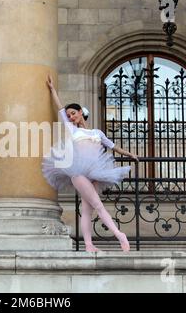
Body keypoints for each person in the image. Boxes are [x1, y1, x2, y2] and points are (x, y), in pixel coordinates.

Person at [42, 75, 139, 252]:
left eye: (74, 113)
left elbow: (113, 147)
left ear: (81, 113)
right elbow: (60, 108)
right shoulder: (72, 129)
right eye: (69, 115)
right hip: (78, 172)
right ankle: (120, 235)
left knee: (87, 210)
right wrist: (52, 90)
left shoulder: (97, 132)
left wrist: (130, 154)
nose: (71, 117)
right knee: (98, 205)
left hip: (95, 172)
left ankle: (88, 245)